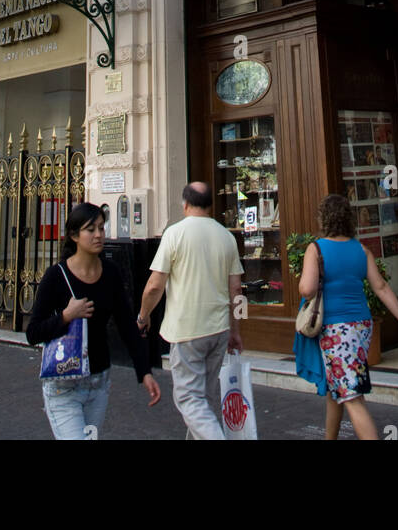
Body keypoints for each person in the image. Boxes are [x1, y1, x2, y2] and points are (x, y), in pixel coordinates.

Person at [26, 202, 161, 439]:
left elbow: (127, 325)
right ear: (74, 235)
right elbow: (33, 332)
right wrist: (66, 316)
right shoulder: (56, 276)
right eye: (91, 229)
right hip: (63, 384)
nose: (99, 235)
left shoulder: (110, 272)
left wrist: (145, 371)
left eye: (101, 227)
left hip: (98, 383)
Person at [298, 192, 398, 441]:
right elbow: (381, 287)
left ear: (324, 219)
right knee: (339, 388)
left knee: (352, 397)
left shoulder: (316, 248)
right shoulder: (361, 250)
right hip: (361, 326)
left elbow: (306, 289)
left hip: (335, 329)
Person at [137, 181, 243, 441]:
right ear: (210, 204)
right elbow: (238, 292)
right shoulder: (227, 237)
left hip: (187, 330)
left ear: (184, 204)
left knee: (189, 399)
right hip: (218, 329)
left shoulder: (174, 234)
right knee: (203, 399)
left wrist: (143, 315)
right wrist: (237, 330)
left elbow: (154, 286)